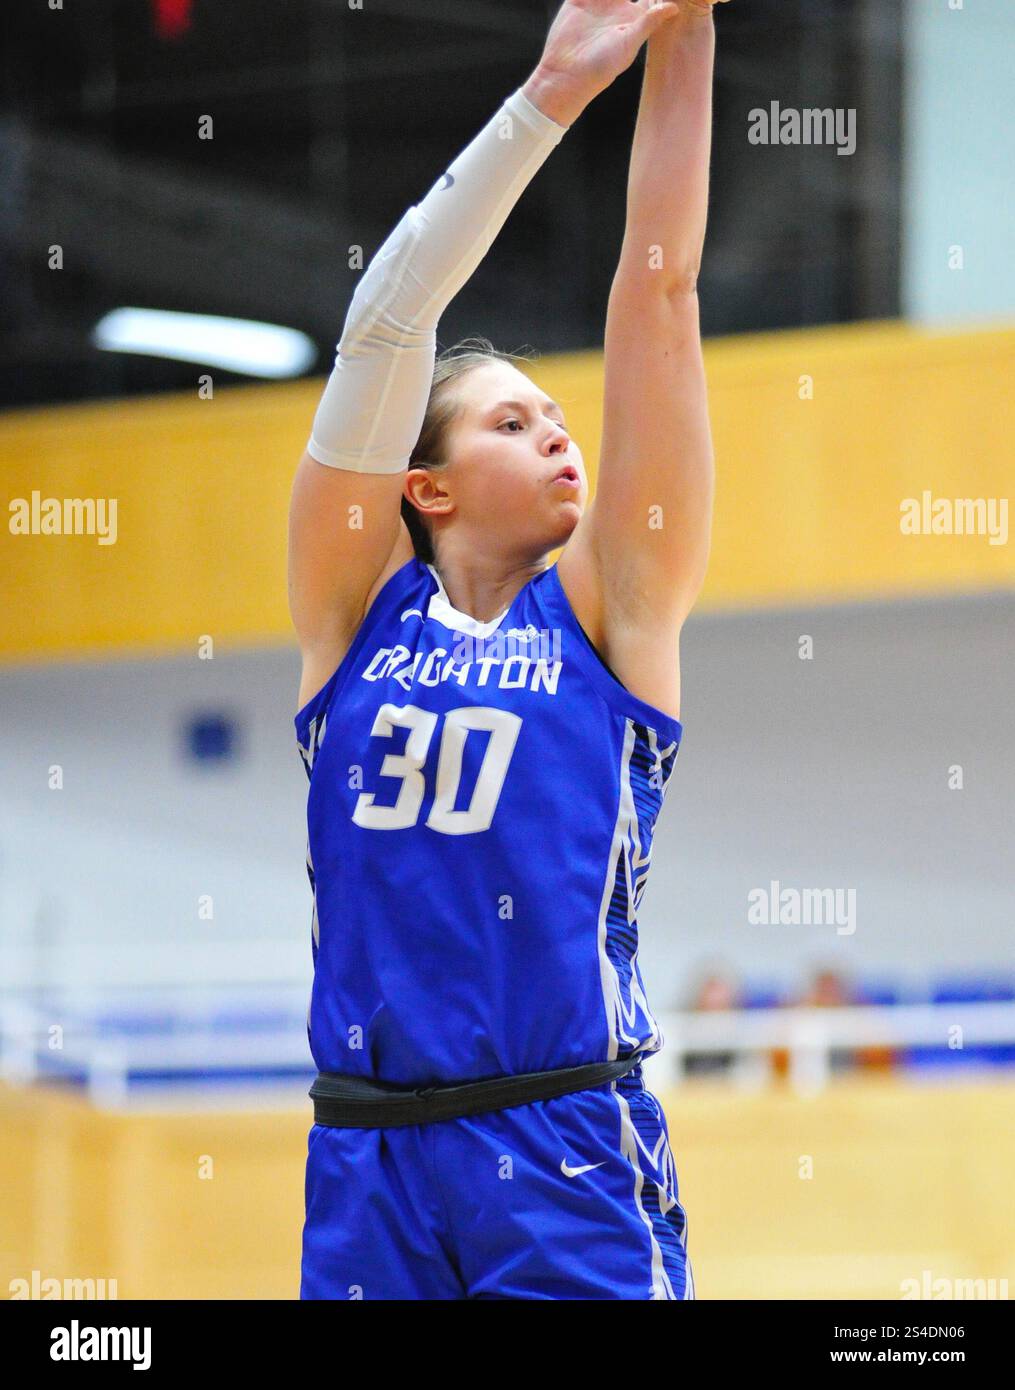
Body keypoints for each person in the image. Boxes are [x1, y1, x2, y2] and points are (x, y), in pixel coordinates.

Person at [288, 0, 723, 1300]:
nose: (557, 433)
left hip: (565, 1146)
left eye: (558, 416)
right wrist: (551, 91)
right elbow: (386, 326)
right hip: (367, 1158)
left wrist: (683, 35)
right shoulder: (350, 613)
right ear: (425, 487)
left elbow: (659, 278)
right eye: (510, 419)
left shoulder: (611, 610)